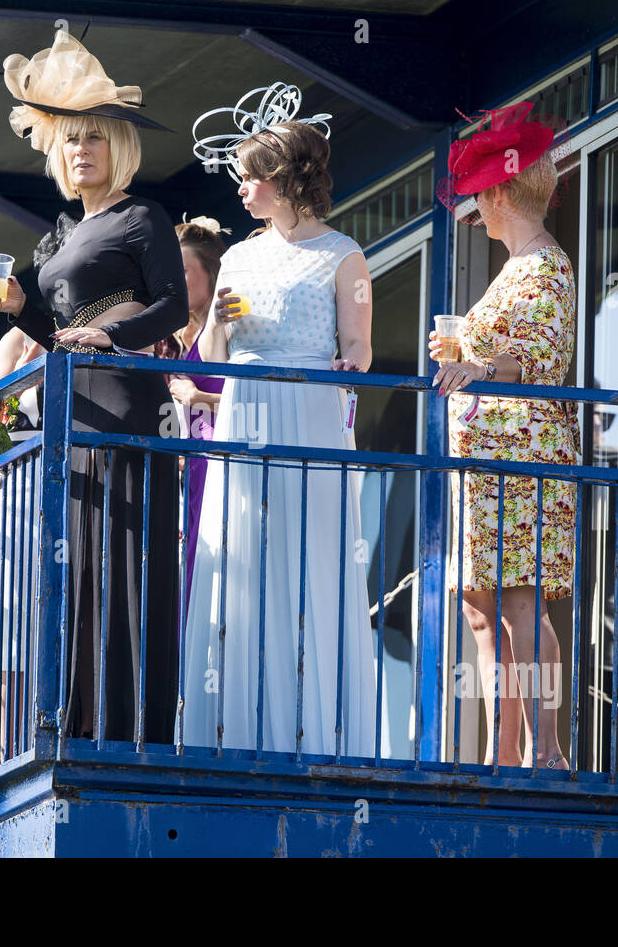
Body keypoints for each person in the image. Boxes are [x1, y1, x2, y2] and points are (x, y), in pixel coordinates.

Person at [0, 29, 186, 744]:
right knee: (81, 568)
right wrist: (21, 311)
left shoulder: (142, 216)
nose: (82, 151)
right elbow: (63, 334)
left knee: (130, 561)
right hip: (77, 413)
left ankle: (135, 730)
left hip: (129, 407)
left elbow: (175, 307)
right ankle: (82, 721)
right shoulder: (67, 235)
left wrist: (116, 335)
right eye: (70, 141)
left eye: (95, 139)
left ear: (117, 147)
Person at [181, 85, 376, 757]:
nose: (240, 191)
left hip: (313, 411)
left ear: (281, 180)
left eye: (249, 179)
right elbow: (211, 358)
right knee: (245, 561)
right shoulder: (236, 257)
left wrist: (352, 367)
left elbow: (359, 345)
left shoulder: (343, 254)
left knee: (317, 558)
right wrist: (217, 325)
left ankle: (320, 734)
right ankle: (235, 731)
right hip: (247, 410)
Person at [429, 101, 577, 770]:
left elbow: (540, 354)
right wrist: (464, 349)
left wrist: (478, 362)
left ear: (497, 193)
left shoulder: (545, 262)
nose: (475, 209)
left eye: (478, 197)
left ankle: (542, 749)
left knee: (519, 599)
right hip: (490, 459)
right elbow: (511, 348)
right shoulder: (521, 265)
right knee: (483, 604)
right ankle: (503, 746)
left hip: (523, 454)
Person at [166, 217, 228, 612]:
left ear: (211, 273)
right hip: (191, 465)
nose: (174, 280)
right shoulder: (175, 338)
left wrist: (197, 396)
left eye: (184, 270)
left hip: (224, 458)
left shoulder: (231, 326)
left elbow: (256, 398)